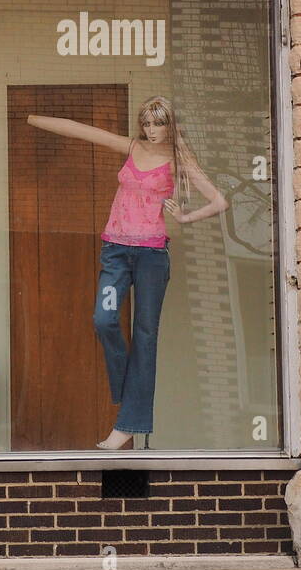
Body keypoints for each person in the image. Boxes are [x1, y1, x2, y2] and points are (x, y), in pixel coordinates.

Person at [27, 96, 228, 450]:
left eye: (158, 123)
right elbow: (81, 131)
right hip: (116, 251)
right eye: (146, 123)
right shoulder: (133, 147)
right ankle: (126, 388)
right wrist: (28, 117)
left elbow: (219, 201)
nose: (151, 130)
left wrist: (184, 217)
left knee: (145, 337)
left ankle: (128, 426)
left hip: (152, 255)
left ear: (169, 125)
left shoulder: (179, 159)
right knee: (104, 319)